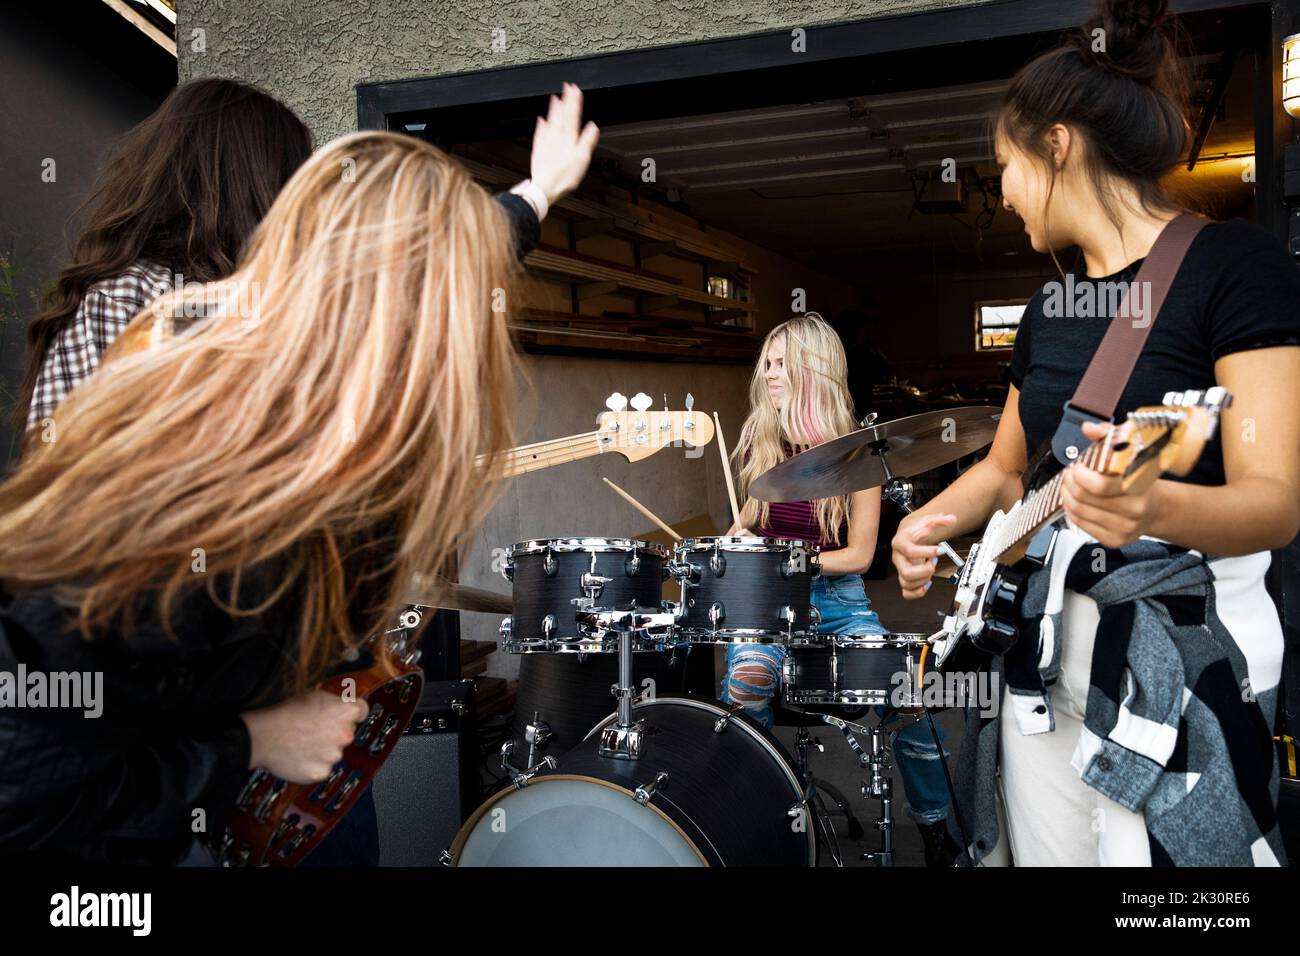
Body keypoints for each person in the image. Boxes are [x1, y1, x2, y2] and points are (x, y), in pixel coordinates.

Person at [0, 87, 599, 864]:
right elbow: (23, 778)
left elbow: (437, 259)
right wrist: (248, 740)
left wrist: (538, 190)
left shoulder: (304, 393)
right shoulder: (207, 493)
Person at [891, 0, 1300, 866]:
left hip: (1186, 663)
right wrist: (931, 521)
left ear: (1058, 145)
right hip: (1045, 664)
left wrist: (1157, 504)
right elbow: (1008, 475)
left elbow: (1276, 503)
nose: (999, 193)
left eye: (1004, 165)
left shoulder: (1235, 268)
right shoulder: (1047, 308)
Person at [721, 311, 957, 865]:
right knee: (747, 685)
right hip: (770, 605)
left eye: (784, 365)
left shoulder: (860, 453)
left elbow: (857, 555)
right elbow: (749, 525)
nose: (770, 375)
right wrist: (731, 542)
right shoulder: (762, 441)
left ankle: (936, 828)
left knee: (910, 699)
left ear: (814, 371)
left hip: (841, 605)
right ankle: (766, 812)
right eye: (769, 364)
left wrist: (790, 556)